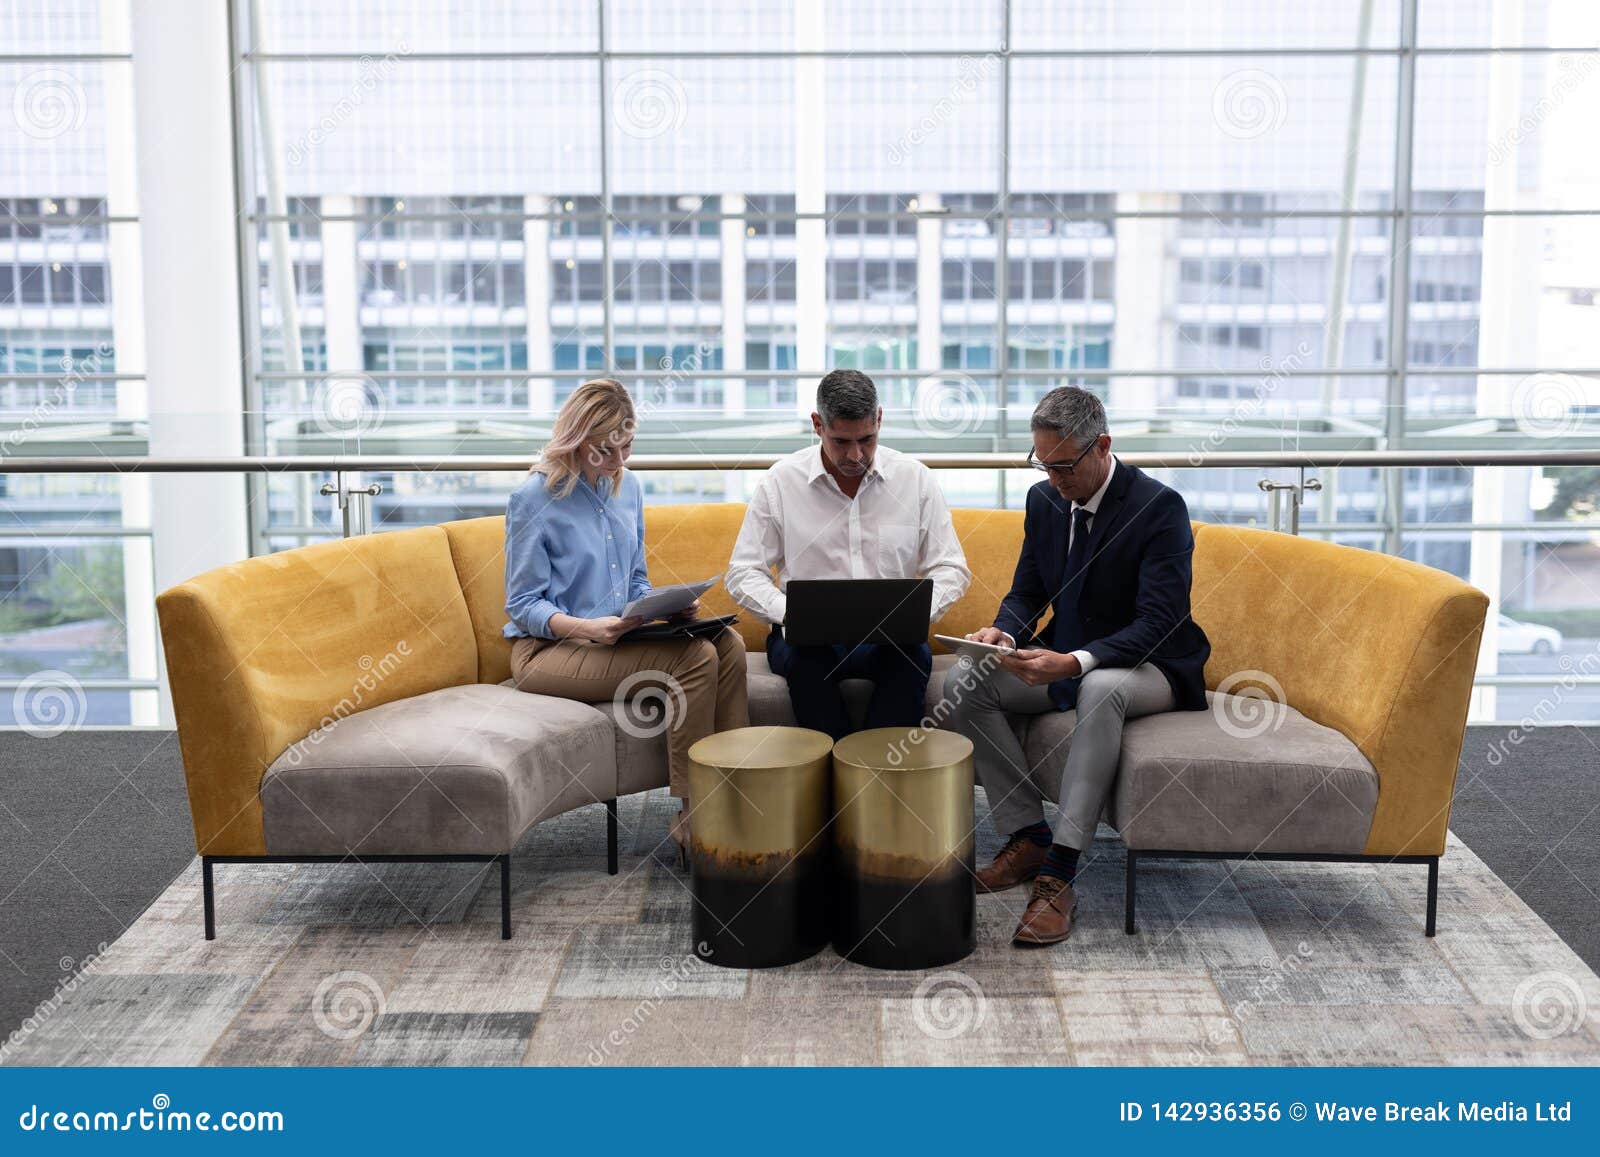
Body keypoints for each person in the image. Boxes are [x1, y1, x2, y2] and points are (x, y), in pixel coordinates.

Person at [945, 385, 1210, 945]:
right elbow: (1027, 591)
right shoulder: (1044, 500)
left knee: (1100, 689)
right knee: (965, 679)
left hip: (1152, 665)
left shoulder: (1158, 508)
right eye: (1043, 465)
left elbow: (1159, 621)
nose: (1054, 479)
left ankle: (1060, 873)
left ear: (1103, 446)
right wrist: (1005, 632)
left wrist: (1077, 662)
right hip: (1066, 653)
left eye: (1064, 466)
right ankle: (1027, 833)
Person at [504, 378, 748, 863]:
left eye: (627, 447)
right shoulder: (533, 499)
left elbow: (635, 579)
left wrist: (664, 606)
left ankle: (736, 797)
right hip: (548, 652)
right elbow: (523, 603)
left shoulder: (628, 488)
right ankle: (692, 814)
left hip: (614, 639)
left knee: (728, 645)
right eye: (604, 451)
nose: (619, 462)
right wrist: (585, 627)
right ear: (576, 440)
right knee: (695, 659)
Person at [726, 369, 971, 740]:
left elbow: (951, 566)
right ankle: (835, 772)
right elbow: (743, 572)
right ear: (817, 425)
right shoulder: (780, 481)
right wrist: (791, 613)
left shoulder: (914, 479)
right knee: (807, 663)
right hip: (807, 640)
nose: (855, 455)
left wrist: (919, 613)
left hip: (891, 639)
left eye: (867, 439)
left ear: (880, 420)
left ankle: (876, 771)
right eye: (841, 441)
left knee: (911, 659)